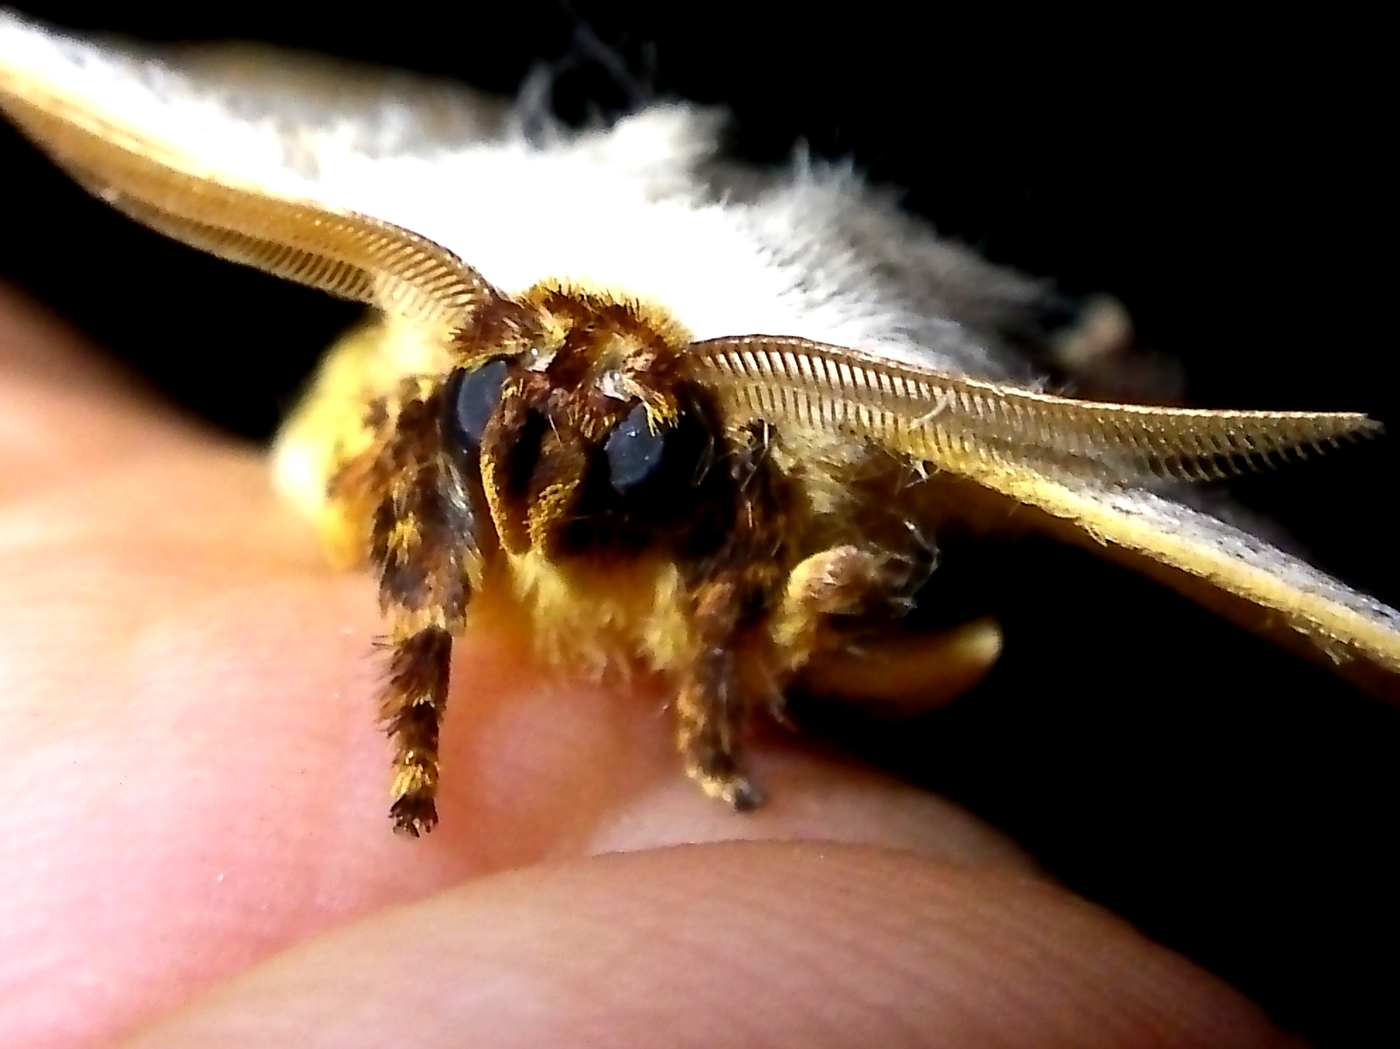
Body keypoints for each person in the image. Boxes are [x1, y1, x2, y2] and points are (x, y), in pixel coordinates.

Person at [0, 283, 1294, 1047]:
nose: (545, 495)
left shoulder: (758, 472)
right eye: (499, 423)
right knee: (392, 437)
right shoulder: (441, 396)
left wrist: (723, 692)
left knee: (837, 580)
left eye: (617, 462)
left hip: (811, 471)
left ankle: (740, 676)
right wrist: (415, 701)